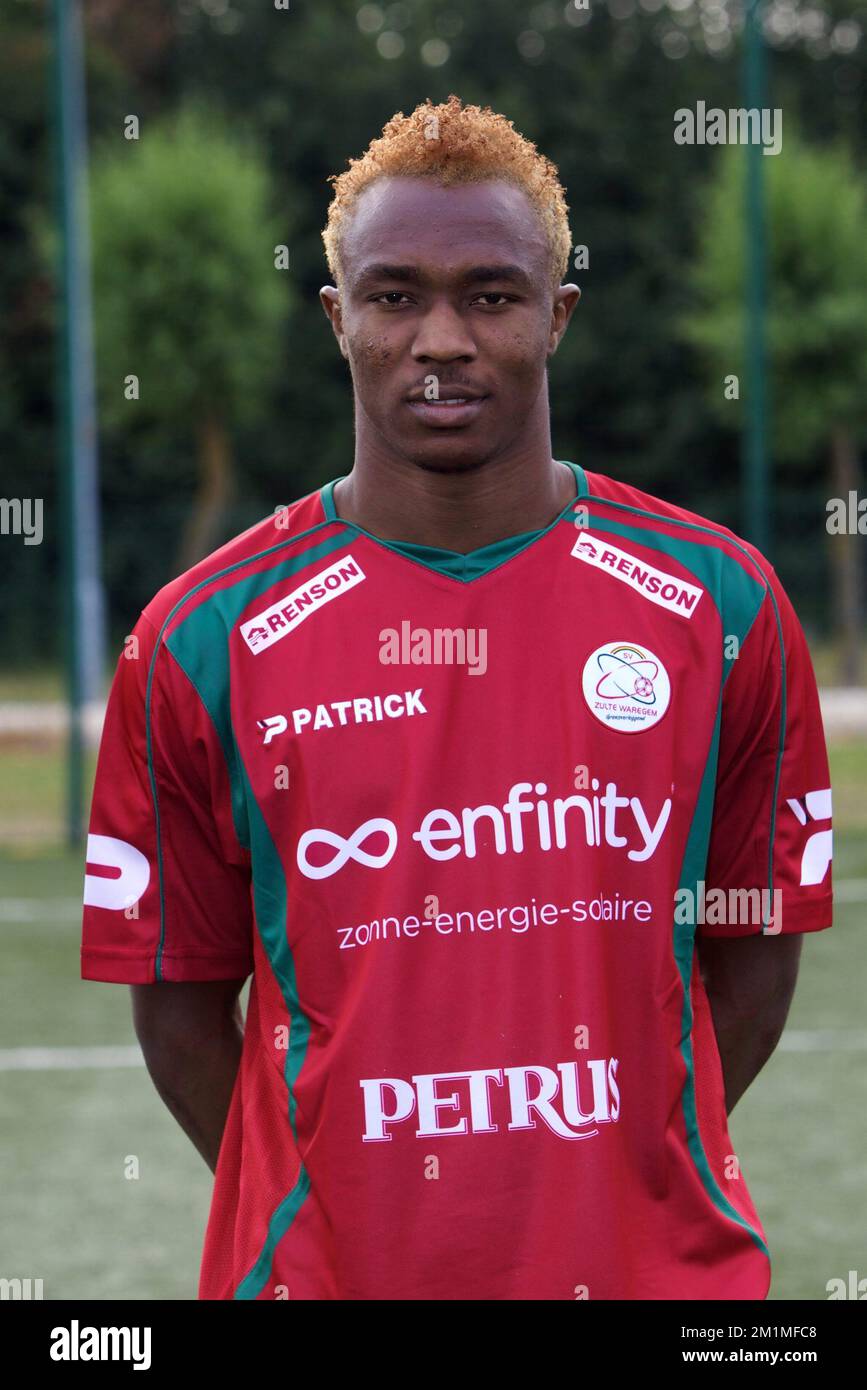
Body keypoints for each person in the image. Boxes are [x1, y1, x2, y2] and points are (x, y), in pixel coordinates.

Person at [81, 95, 833, 1300]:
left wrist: (610, 1173)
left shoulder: (720, 604)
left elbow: (754, 960)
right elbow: (177, 1009)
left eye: (491, 295)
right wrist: (342, 1205)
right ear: (338, 317)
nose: (441, 338)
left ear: (557, 316)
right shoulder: (198, 640)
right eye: (394, 296)